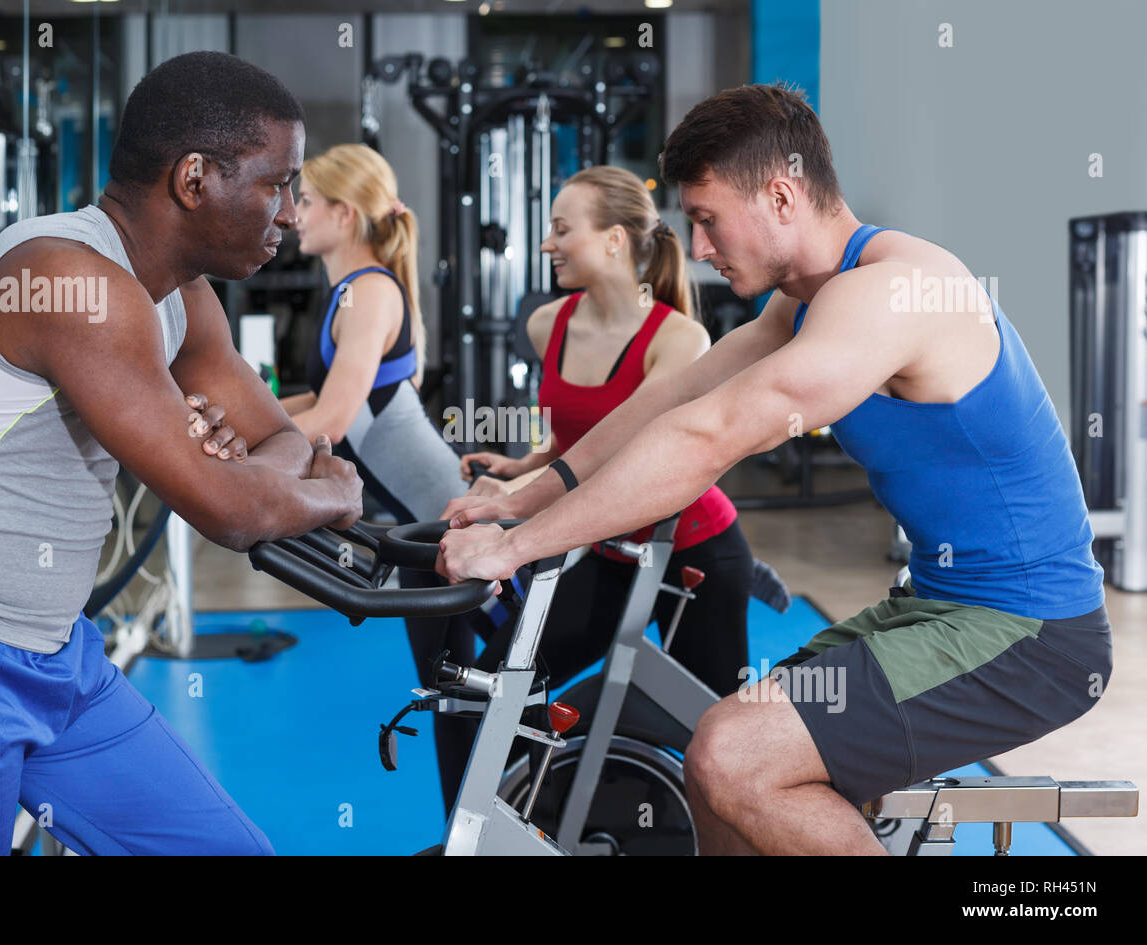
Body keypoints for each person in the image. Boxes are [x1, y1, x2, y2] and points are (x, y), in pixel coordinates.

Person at [437, 83, 1110, 856]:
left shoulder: (894, 293)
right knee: (714, 752)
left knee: (736, 754)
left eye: (707, 219)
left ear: (782, 195)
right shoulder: (803, 303)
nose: (697, 250)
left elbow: (707, 434)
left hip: (1031, 633)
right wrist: (527, 498)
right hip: (935, 607)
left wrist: (519, 548)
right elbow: (670, 401)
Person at [0, 51, 363, 855]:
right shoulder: (69, 281)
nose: (291, 212)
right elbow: (228, 509)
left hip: (55, 652)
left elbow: (278, 438)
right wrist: (335, 492)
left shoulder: (180, 294)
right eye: (277, 183)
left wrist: (261, 468)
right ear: (195, 179)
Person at [459, 165, 755, 703]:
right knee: (490, 689)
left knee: (713, 728)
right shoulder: (546, 323)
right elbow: (579, 438)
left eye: (563, 229)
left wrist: (517, 500)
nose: (548, 243)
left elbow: (626, 452)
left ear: (614, 240)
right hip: (612, 547)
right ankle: (527, 790)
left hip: (695, 551)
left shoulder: (681, 340)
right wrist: (523, 466)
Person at [279, 142, 486, 817]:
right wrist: (224, 419)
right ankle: (472, 831)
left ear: (344, 214)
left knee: (465, 703)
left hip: (449, 540)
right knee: (449, 698)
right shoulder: (351, 290)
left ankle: (487, 832)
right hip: (426, 544)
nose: (293, 213)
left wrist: (237, 457)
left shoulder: (368, 293)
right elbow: (316, 407)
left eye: (305, 201)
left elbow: (333, 419)